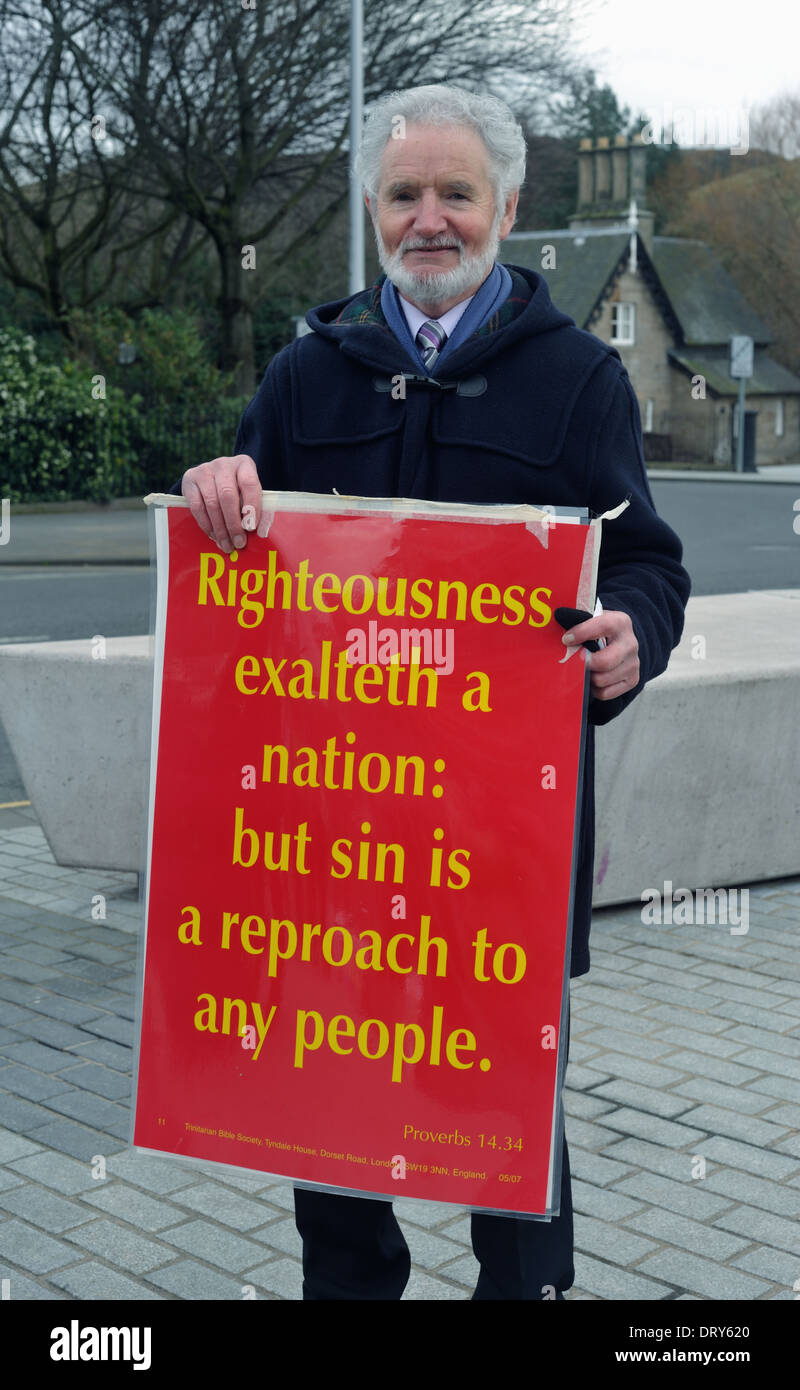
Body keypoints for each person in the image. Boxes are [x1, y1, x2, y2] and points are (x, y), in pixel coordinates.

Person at [172, 83, 691, 1300]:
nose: (429, 219)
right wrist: (215, 485)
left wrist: (633, 641)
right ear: (371, 212)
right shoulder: (307, 374)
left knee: (506, 1139)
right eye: (403, 195)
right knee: (331, 1123)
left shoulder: (578, 380)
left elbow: (647, 561)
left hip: (499, 845)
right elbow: (241, 537)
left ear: (505, 206)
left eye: (455, 192)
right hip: (333, 842)